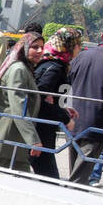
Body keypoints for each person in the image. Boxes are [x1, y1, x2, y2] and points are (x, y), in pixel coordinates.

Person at [0, 32, 53, 173]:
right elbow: (18, 105)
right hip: (2, 143)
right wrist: (33, 140)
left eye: (42, 47)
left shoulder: (25, 69)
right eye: (34, 47)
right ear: (24, 48)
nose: (40, 51)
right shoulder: (18, 69)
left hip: (12, 146)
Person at [66, 20, 103, 185]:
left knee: (76, 171)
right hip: (97, 123)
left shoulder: (83, 54)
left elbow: (69, 81)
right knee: (79, 178)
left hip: (74, 120)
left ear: (102, 35)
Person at [30, 27, 82, 178]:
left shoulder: (53, 62)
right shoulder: (55, 67)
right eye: (78, 44)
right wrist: (65, 118)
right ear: (69, 45)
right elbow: (38, 96)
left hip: (43, 126)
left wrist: (63, 110)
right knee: (49, 177)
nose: (80, 48)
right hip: (40, 129)